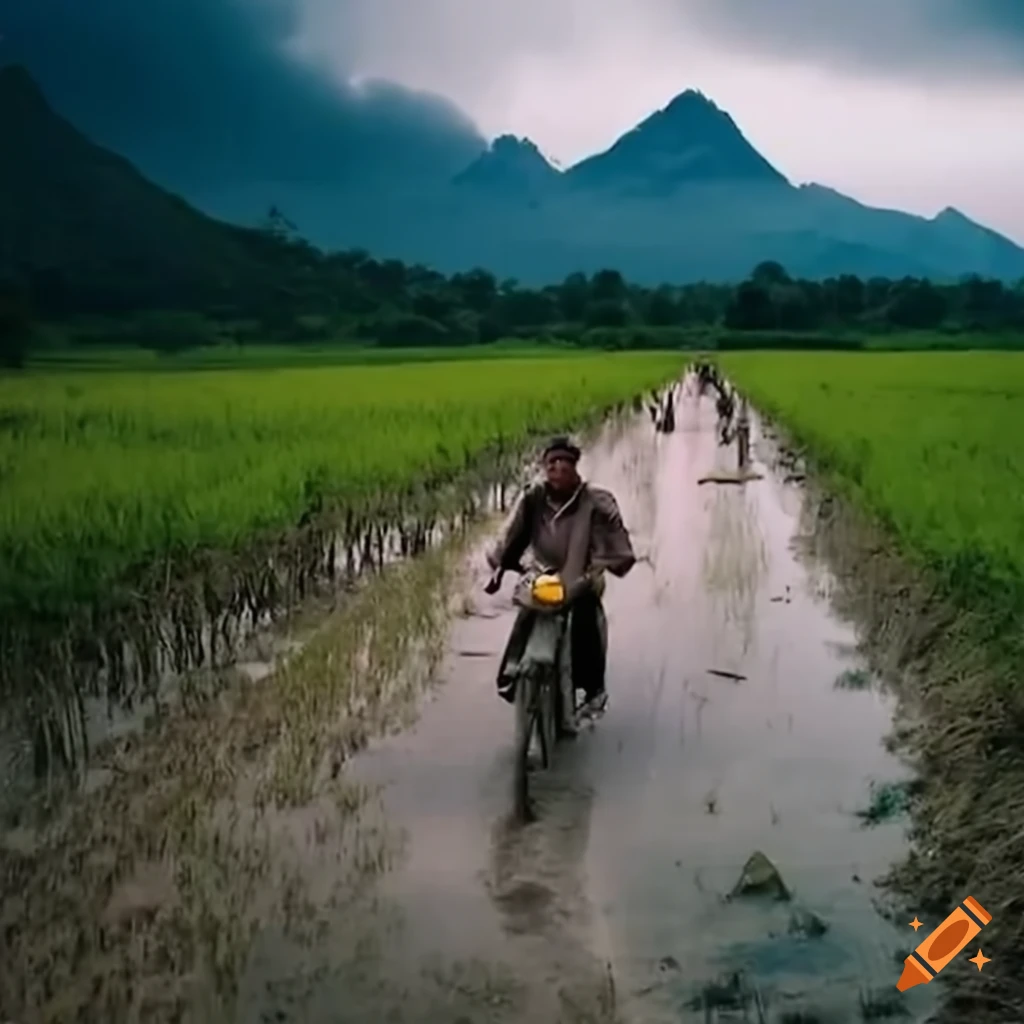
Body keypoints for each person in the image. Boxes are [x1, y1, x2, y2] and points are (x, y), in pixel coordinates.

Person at [485, 436, 636, 733]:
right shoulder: (533, 498)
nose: (557, 468)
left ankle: (593, 690)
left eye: (563, 462)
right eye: (551, 462)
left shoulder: (596, 500)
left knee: (584, 616)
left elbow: (615, 537)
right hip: (542, 572)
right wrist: (500, 566)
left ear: (574, 466)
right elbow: (513, 535)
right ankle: (513, 675)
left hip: (580, 574)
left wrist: (605, 563)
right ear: (544, 467)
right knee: (526, 613)